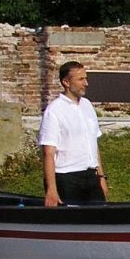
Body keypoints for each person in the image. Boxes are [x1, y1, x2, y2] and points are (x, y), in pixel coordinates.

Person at [39, 61, 108, 206]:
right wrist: (51, 189)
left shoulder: (87, 106)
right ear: (66, 82)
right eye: (81, 79)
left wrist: (101, 176)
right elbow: (48, 152)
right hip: (67, 178)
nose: (86, 83)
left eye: (86, 78)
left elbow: (93, 144)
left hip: (90, 176)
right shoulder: (54, 111)